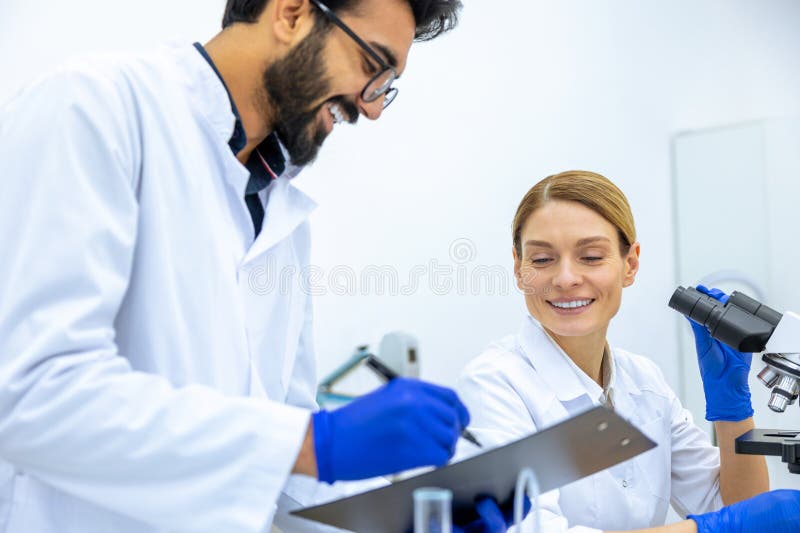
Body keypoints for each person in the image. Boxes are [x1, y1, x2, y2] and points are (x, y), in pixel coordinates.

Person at [0, 1, 520, 531]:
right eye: (371, 65)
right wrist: (316, 443)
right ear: (292, 13)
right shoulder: (92, 107)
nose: (372, 109)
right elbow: (31, 393)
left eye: (386, 85)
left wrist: (410, 518)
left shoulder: (281, 214)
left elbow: (278, 468)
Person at [457, 170, 800, 532]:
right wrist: (708, 529)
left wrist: (732, 408)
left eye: (590, 256)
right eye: (542, 260)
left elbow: (736, 509)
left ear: (630, 263)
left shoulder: (643, 382)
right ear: (518, 268)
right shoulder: (494, 385)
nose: (565, 278)